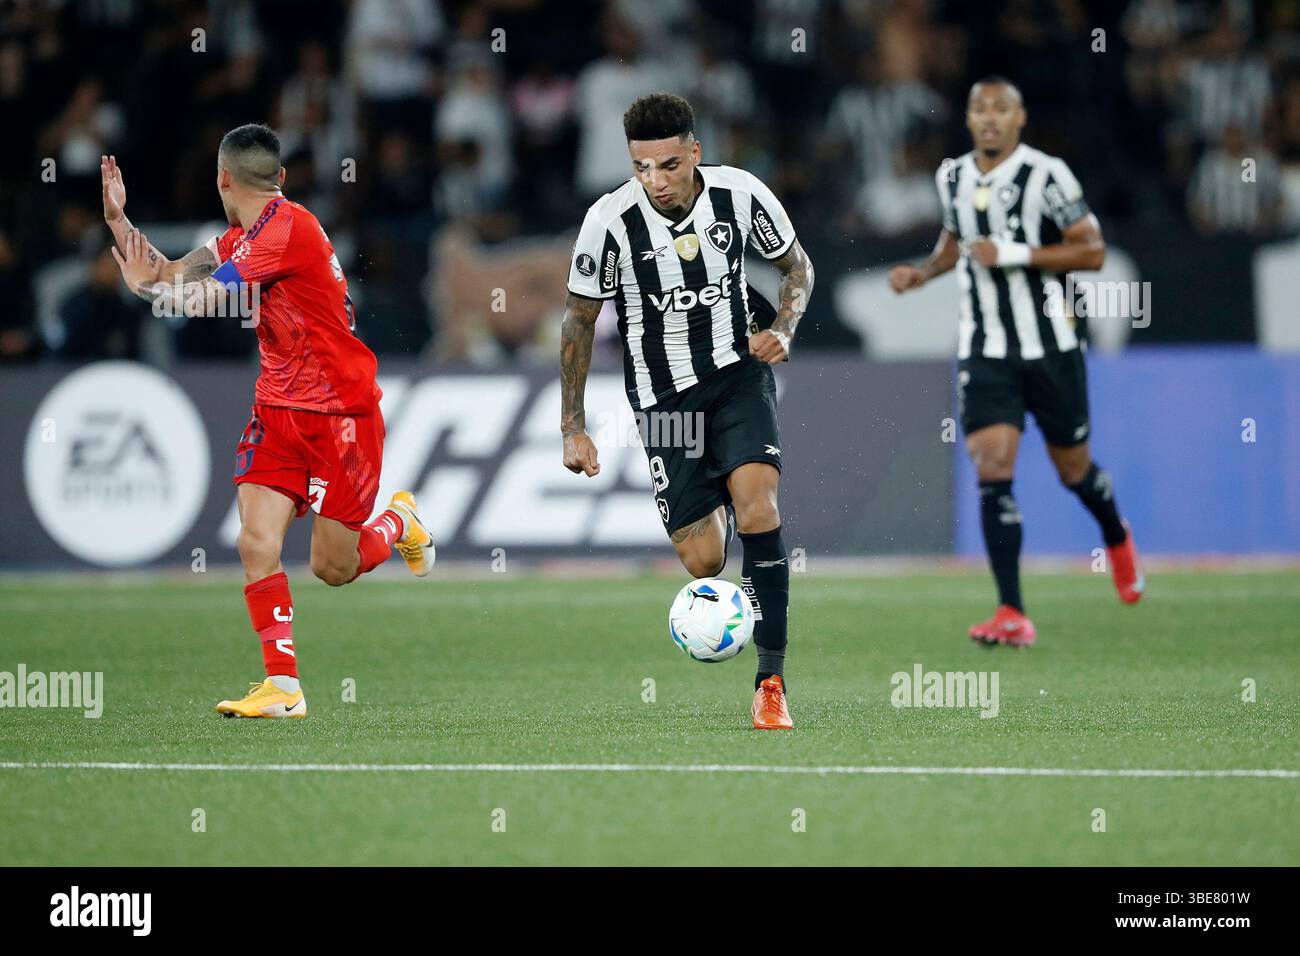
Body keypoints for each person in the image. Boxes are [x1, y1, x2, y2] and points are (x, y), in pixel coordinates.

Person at [100, 125, 435, 716]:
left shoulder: (288, 229)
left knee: (334, 566)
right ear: (277, 175)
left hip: (341, 416)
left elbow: (200, 298)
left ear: (223, 178)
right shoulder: (239, 238)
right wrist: (122, 227)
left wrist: (154, 290)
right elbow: (175, 275)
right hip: (278, 409)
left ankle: (398, 523)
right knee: (256, 540)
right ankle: (283, 686)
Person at [560, 93, 814, 727]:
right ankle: (723, 494)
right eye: (642, 168)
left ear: (695, 152)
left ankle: (771, 680)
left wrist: (782, 328)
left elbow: (797, 268)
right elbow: (579, 320)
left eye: (669, 165)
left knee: (760, 507)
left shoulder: (741, 196)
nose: (656, 181)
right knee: (704, 560)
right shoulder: (608, 221)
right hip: (663, 400)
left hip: (737, 376)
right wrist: (572, 426)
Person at [889, 78, 1143, 647]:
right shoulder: (950, 176)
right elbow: (955, 241)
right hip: (985, 349)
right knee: (992, 467)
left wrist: (1017, 252)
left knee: (1074, 472)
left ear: (1020, 118)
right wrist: (924, 273)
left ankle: (1117, 535)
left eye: (1002, 108)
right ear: (969, 118)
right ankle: (1011, 611)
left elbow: (1093, 250)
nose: (990, 118)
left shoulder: (1047, 174)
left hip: (1050, 346)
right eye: (980, 107)